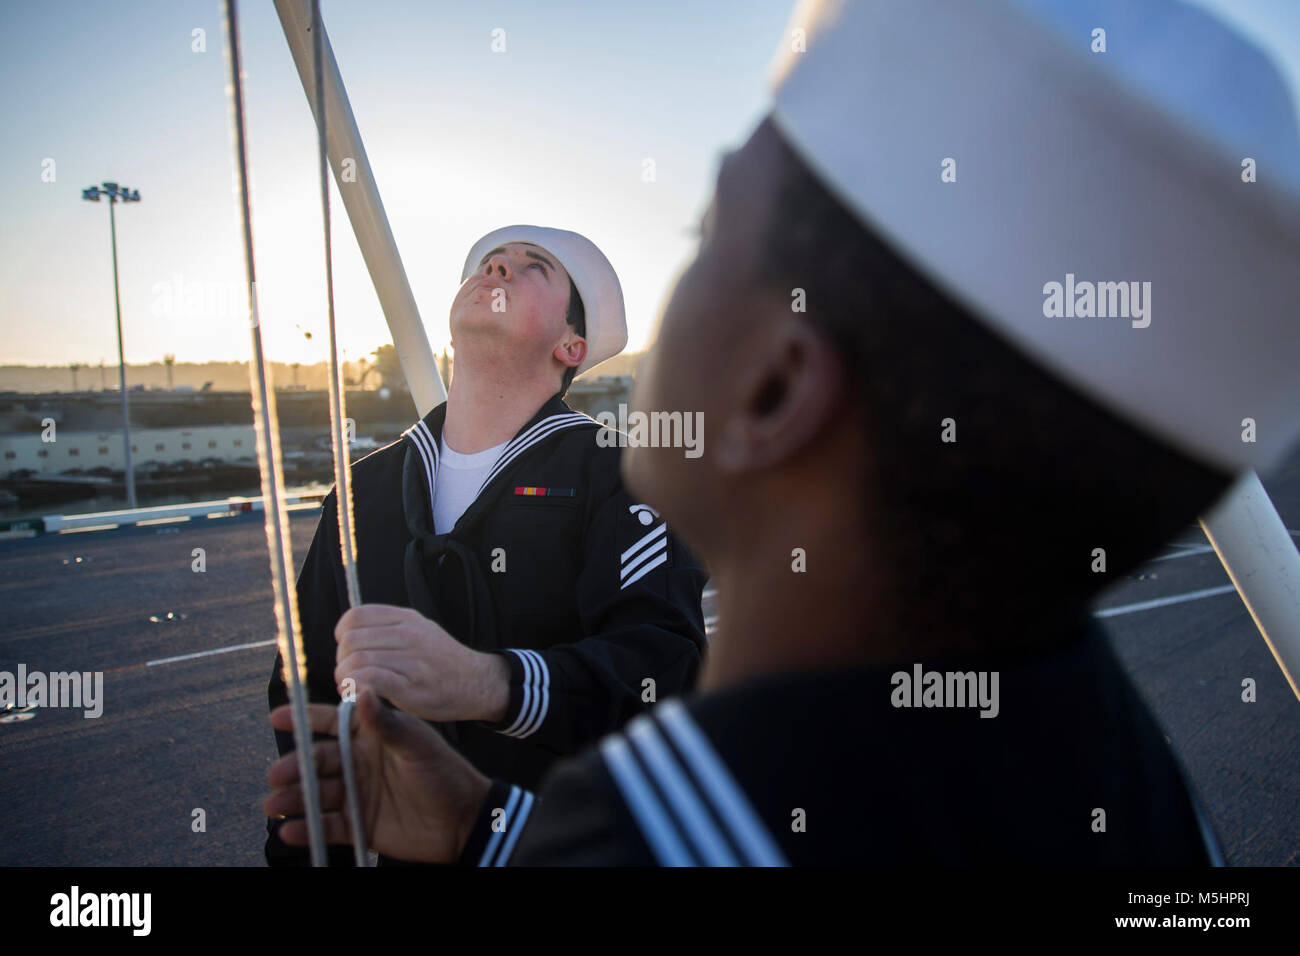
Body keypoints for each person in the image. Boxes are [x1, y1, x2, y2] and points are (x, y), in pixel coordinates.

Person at [265, 0, 1300, 864]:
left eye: (705, 233)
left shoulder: (673, 823)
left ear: (772, 389)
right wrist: (478, 825)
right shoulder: (1133, 794)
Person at [265, 226, 708, 865]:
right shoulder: (364, 488)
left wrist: (492, 684)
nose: (498, 267)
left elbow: (661, 670)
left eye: (535, 268)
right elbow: (301, 683)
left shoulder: (625, 473)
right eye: (489, 262)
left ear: (571, 344)